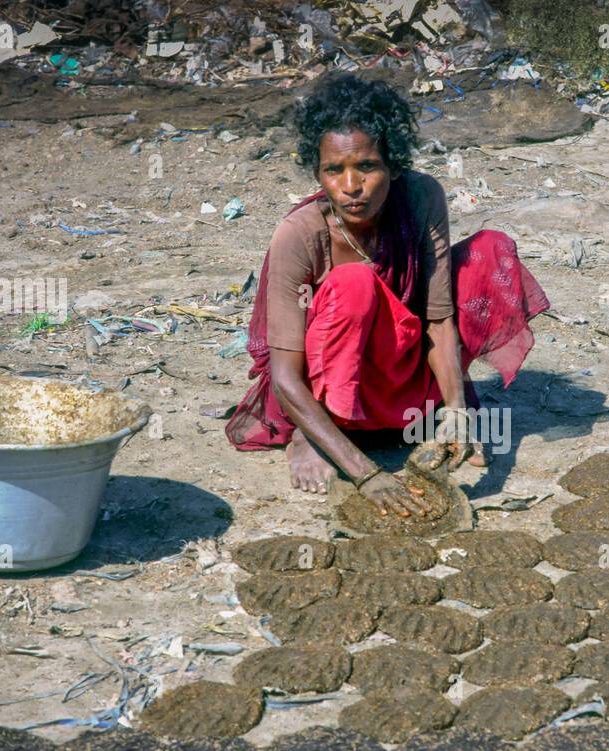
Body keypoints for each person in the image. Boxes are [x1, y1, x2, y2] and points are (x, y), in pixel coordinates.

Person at [225, 71, 549, 518]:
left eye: (367, 167)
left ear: (393, 165)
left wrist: (456, 411)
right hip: (328, 385)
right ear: (318, 173)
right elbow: (284, 378)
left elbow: (438, 318)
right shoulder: (298, 235)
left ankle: (433, 416)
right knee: (353, 282)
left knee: (488, 252)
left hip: (402, 364)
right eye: (333, 170)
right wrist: (366, 474)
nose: (351, 186)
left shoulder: (420, 198)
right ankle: (316, 434)